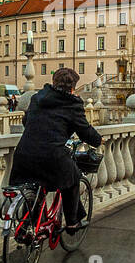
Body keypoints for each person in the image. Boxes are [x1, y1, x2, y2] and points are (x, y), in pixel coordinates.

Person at [9, 67, 103, 233]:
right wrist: (98, 140)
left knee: (36, 185)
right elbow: (84, 130)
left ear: (53, 83)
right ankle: (73, 223)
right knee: (73, 178)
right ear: (73, 87)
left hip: (24, 154)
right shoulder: (73, 104)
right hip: (52, 157)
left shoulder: (37, 98)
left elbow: (26, 121)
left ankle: (27, 226)